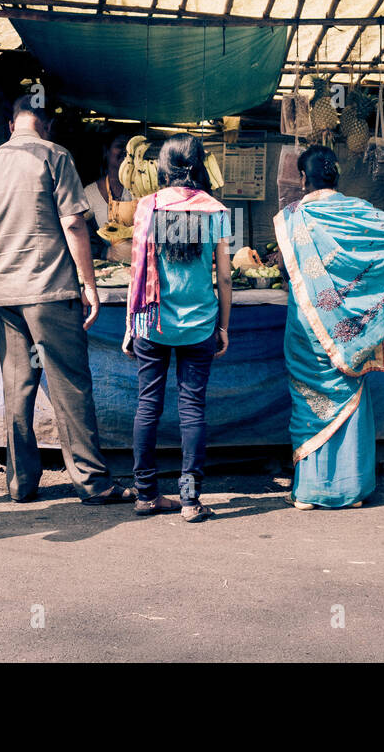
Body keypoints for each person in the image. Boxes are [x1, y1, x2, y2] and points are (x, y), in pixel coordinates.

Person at [0, 95, 135, 506]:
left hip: (5, 292)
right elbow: (74, 223)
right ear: (46, 125)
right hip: (51, 290)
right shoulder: (55, 156)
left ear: (12, 124)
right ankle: (93, 483)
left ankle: (20, 484)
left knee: (18, 387)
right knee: (70, 387)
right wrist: (90, 284)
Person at [274, 145, 384, 510]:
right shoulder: (360, 212)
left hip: (307, 328)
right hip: (348, 331)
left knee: (310, 401)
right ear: (337, 176)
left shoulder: (292, 217)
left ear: (303, 179)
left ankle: (308, 492)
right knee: (349, 394)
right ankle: (349, 490)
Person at [121, 133, 232, 523]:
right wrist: (224, 326)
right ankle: (189, 499)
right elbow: (225, 278)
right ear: (198, 165)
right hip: (200, 324)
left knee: (147, 405)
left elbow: (137, 270)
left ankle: (146, 494)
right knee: (192, 408)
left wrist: (130, 325)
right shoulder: (216, 211)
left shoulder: (146, 207)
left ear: (164, 168)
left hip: (151, 323)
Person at [84, 132, 134, 229]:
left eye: (129, 148)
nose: (125, 151)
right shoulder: (91, 192)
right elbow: (77, 223)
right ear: (106, 151)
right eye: (120, 146)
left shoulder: (140, 188)